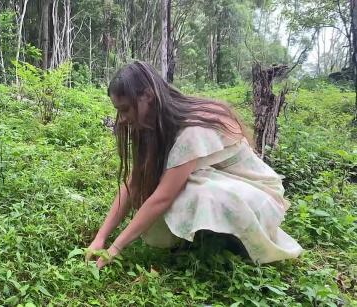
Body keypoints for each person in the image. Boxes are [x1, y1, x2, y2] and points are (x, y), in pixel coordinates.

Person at [85, 61, 303, 268]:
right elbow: (133, 183)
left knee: (189, 189)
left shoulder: (191, 132)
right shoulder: (152, 125)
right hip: (230, 190)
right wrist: (100, 238)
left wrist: (114, 249)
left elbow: (163, 197)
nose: (121, 118)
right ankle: (202, 241)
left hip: (257, 196)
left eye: (125, 109)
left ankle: (232, 249)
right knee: (175, 184)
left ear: (147, 96)